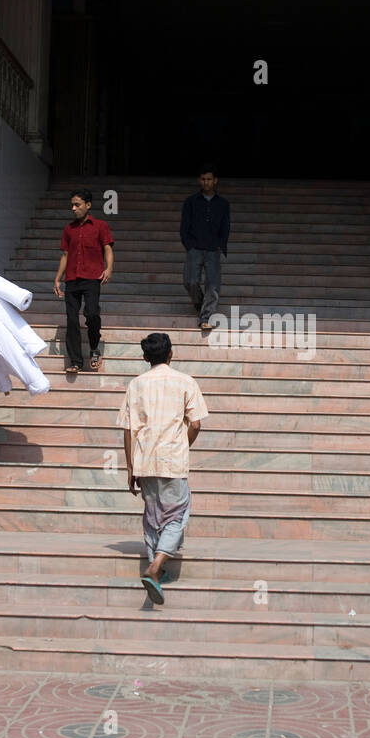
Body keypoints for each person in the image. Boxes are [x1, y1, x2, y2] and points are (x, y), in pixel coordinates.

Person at [117, 333, 209, 604]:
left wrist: (130, 466)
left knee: (153, 515)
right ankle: (155, 567)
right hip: (172, 460)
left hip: (144, 460)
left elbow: (128, 429)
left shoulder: (136, 384)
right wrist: (184, 445)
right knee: (176, 515)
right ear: (172, 353)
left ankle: (156, 566)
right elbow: (195, 424)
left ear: (145, 357)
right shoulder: (185, 382)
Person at [53, 189, 114, 374]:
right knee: (72, 320)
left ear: (88, 205)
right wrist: (57, 278)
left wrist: (109, 268)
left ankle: (94, 348)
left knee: (92, 314)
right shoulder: (69, 229)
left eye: (77, 205)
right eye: (72, 205)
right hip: (72, 279)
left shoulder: (100, 226)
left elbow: (108, 249)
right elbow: (65, 255)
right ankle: (76, 361)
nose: (73, 208)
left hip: (92, 278)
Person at [180, 163, 230, 331]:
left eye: (209, 179)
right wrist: (189, 244)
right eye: (203, 179)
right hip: (195, 246)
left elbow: (226, 226)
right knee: (190, 281)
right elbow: (184, 226)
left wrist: (221, 244)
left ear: (215, 181)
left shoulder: (223, 203)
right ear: (199, 180)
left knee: (213, 284)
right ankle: (201, 304)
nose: (206, 182)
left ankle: (206, 317)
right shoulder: (191, 202)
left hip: (213, 248)